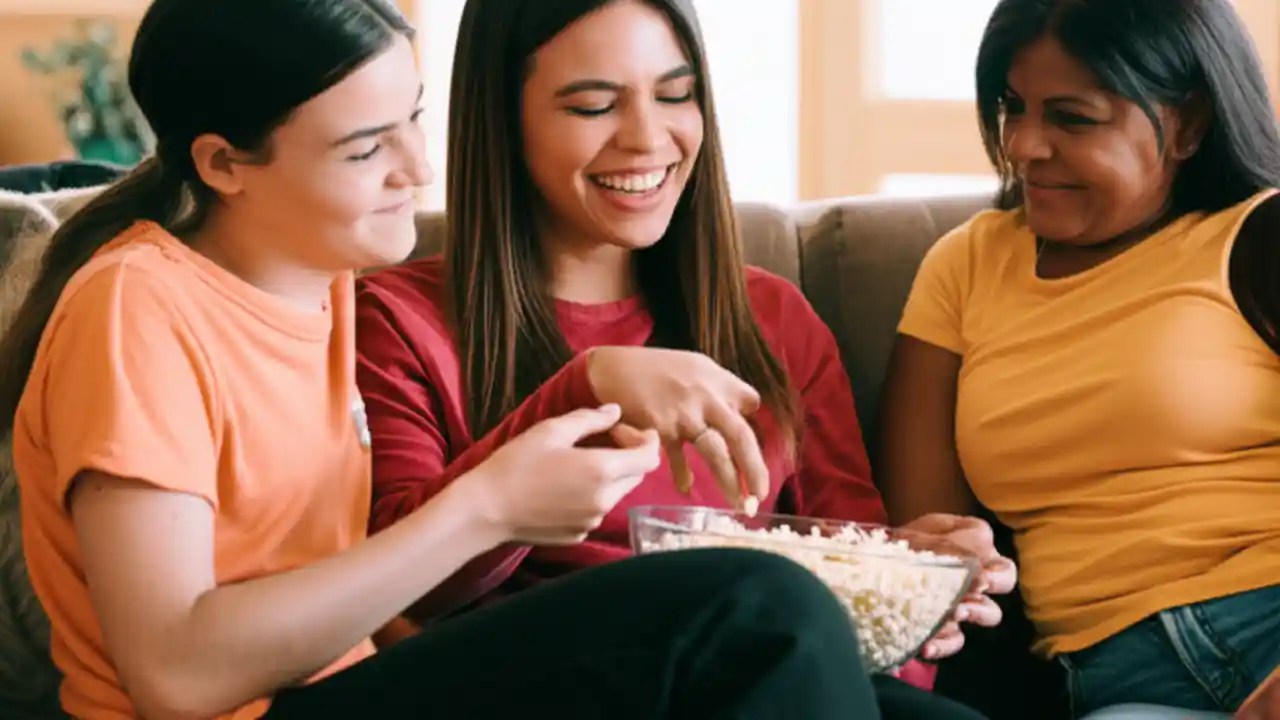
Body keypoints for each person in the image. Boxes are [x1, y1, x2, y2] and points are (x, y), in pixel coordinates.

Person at [0, 1, 942, 719]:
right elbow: (174, 673)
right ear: (224, 164)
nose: (417, 167)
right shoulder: (138, 306)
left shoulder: (321, 284)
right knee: (757, 606)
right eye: (367, 147)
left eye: (411, 118)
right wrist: (487, 505)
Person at [353, 0, 1015, 697]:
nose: (648, 137)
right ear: (504, 122)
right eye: (592, 106)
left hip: (766, 681)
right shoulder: (398, 319)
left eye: (676, 95)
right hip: (546, 690)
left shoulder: (774, 318)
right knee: (765, 593)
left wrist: (915, 606)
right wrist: (583, 390)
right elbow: (398, 592)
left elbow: (848, 575)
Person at [877, 0, 1280, 717]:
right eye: (1012, 106)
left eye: (1072, 117)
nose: (1024, 145)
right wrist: (951, 564)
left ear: (1186, 123)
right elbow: (930, 538)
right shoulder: (965, 265)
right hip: (1122, 681)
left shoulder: (1258, 236)